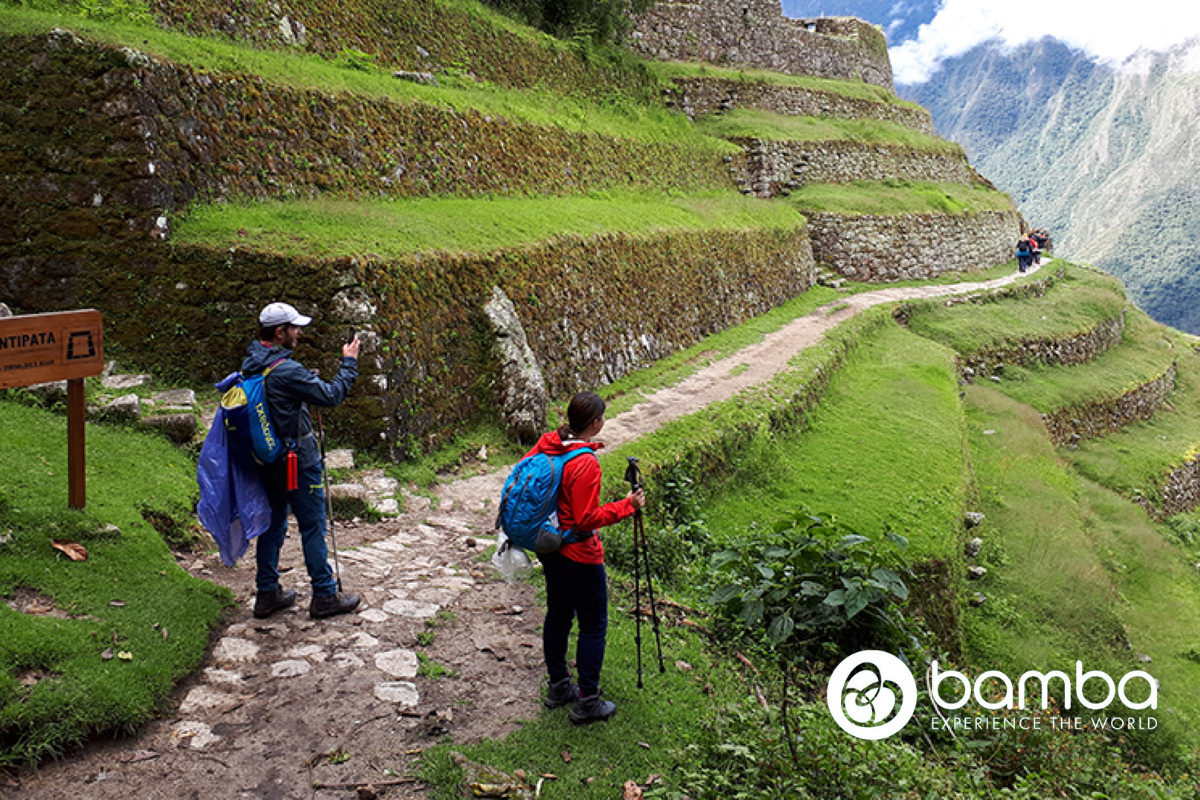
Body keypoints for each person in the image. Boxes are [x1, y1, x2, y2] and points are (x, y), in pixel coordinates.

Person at [527, 391, 646, 724]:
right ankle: (588, 701)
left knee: (559, 616)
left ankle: (559, 686)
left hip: (551, 547)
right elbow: (584, 518)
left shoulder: (550, 445)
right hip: (579, 553)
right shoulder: (585, 463)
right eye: (602, 417)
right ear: (594, 423)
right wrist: (627, 506)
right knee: (593, 625)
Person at [243, 302, 362, 620]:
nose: (300, 332)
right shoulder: (287, 370)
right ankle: (324, 594)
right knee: (312, 525)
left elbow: (277, 396)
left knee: (273, 524)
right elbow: (333, 395)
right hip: (298, 461)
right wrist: (348, 363)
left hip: (267, 460)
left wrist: (302, 383)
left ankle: (267, 593)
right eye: (295, 328)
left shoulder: (254, 362)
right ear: (279, 332)